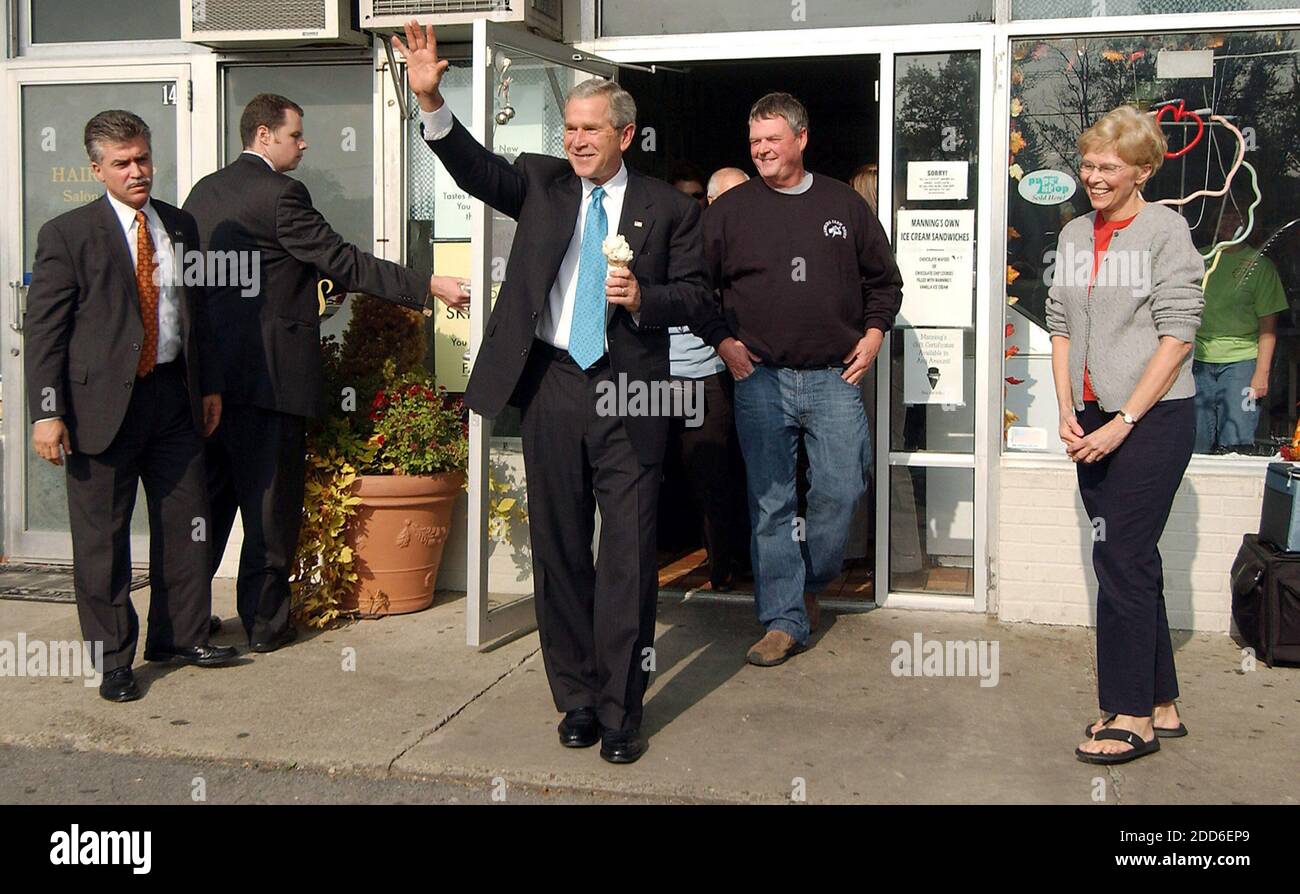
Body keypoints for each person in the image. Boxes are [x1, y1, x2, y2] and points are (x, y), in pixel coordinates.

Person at [394, 23, 710, 764]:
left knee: (628, 558)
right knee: (560, 551)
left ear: (625, 134)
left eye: (590, 129)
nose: (576, 140)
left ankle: (621, 710)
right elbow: (473, 169)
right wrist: (432, 97)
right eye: (569, 127)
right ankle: (575, 699)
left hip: (632, 395)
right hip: (554, 384)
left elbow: (698, 297)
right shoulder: (540, 183)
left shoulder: (669, 208)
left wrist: (646, 298)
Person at [183, 93, 468, 653]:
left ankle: (183, 624)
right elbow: (344, 260)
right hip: (272, 382)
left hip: (212, 379)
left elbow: (248, 277)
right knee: (270, 507)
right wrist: (427, 285)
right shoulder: (284, 195)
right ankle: (266, 627)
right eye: (295, 134)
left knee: (208, 506)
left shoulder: (202, 193)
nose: (304, 143)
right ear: (264, 136)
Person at [25, 110, 238, 703]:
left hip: (174, 397)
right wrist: (47, 412)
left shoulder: (180, 224)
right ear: (97, 170)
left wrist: (210, 385)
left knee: (186, 522)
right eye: (122, 163)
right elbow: (45, 332)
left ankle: (180, 634)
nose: (137, 171)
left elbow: (201, 317)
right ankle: (113, 658)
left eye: (143, 158)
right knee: (102, 539)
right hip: (98, 409)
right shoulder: (67, 235)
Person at [694, 93, 903, 666]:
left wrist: (875, 333)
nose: (761, 150)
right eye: (754, 140)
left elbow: (885, 283)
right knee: (771, 505)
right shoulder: (730, 212)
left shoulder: (845, 206)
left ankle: (810, 581)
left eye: (772, 139)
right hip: (759, 378)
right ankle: (783, 618)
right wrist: (723, 340)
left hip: (835, 377)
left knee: (842, 489)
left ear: (801, 139)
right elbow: (693, 286)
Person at [1046, 105, 1205, 765]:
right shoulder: (1077, 233)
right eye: (1087, 165)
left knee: (1119, 559)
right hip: (1088, 416)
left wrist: (1124, 422)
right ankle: (1161, 702)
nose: (1093, 177)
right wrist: (1064, 410)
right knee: (1133, 559)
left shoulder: (1165, 231)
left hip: (1152, 419)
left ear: (1142, 170)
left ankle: (1131, 715)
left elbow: (1178, 335)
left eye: (1108, 167)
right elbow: (1058, 320)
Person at [663, 168, 751, 591]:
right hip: (655, 382)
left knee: (713, 477)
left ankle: (723, 569)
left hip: (706, 377)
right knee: (646, 478)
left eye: (696, 197)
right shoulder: (656, 241)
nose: (690, 206)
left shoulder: (739, 247)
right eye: (684, 198)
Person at [1193, 205, 1288, 453]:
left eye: (1238, 217)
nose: (1230, 223)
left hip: (1241, 362)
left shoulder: (1260, 266)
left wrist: (1261, 374)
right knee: (1196, 440)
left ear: (1250, 224)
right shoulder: (1198, 260)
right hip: (1197, 361)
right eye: (1224, 217)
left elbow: (1268, 326)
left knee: (1236, 442)